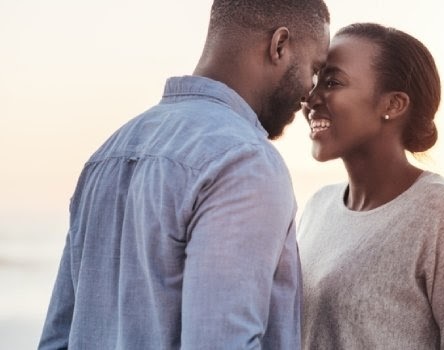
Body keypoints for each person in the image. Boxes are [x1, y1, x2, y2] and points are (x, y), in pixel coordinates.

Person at [38, 1, 330, 349]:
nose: (310, 92)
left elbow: (57, 339)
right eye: (314, 69)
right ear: (279, 45)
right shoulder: (246, 162)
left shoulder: (108, 154)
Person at [298, 23, 444, 349]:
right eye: (315, 81)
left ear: (393, 105)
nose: (310, 98)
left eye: (333, 82)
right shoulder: (316, 208)